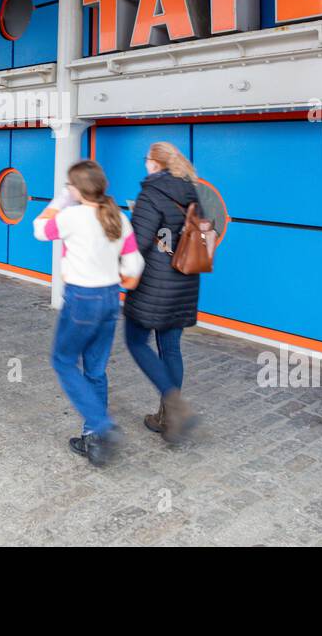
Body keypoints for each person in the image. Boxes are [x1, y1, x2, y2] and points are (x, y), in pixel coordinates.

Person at [34, 160, 144, 467]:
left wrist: (60, 201)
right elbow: (134, 268)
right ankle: (94, 440)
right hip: (110, 298)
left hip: (82, 298)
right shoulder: (119, 218)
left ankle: (102, 424)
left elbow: (40, 230)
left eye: (70, 186)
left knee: (63, 361)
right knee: (95, 369)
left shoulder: (72, 217)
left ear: (76, 188)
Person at [123, 142, 203, 443]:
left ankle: (175, 404)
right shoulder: (191, 190)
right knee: (170, 348)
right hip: (184, 278)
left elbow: (139, 242)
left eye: (146, 160)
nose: (145, 164)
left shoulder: (151, 192)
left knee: (136, 341)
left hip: (155, 283)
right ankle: (168, 419)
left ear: (155, 163)